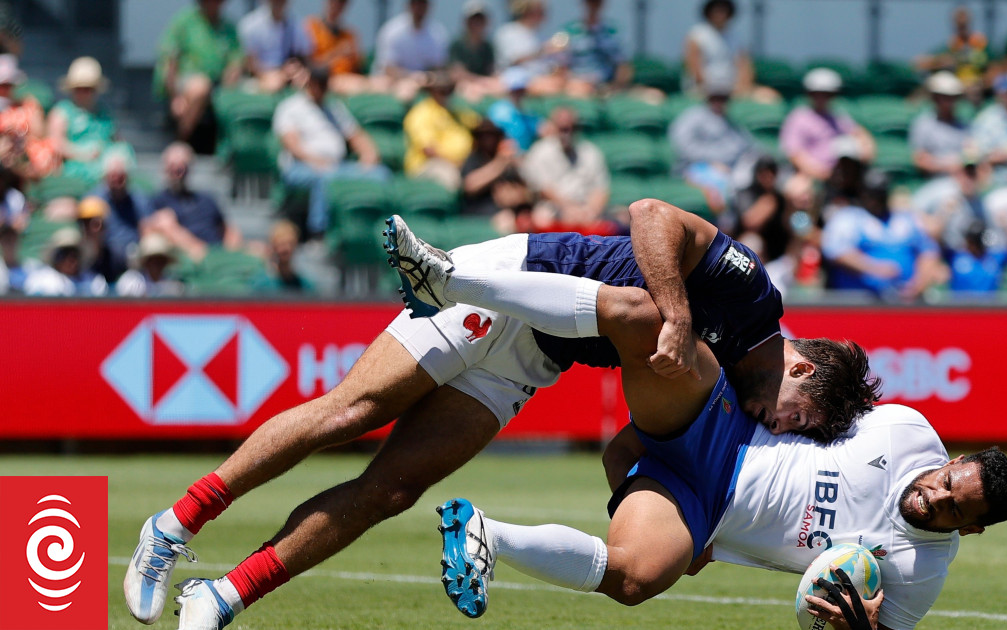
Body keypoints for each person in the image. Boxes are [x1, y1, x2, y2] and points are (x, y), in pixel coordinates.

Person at [128, 197, 857, 628]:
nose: (775, 422)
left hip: (536, 357)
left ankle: (224, 594)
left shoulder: (727, 386)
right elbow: (651, 215)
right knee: (352, 411)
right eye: (793, 415)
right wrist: (674, 312)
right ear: (802, 367)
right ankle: (174, 525)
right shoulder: (756, 295)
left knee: (395, 487)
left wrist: (642, 501)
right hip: (513, 278)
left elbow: (632, 441)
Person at [427, 260, 1007, 627]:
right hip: (724, 423)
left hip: (699, 509)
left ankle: (486, 534)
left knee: (636, 580)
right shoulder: (909, 431)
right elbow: (813, 380)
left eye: (952, 509)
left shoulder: (920, 573)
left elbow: (870, 628)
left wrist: (856, 628)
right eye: (947, 481)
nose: (934, 496)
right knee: (643, 320)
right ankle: (453, 283)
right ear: (954, 460)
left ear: (969, 530)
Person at [275, 65, 388, 238]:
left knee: (380, 174)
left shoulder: (334, 107)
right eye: (318, 83)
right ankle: (318, 233)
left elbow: (356, 135)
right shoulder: (291, 107)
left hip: (336, 166)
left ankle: (375, 233)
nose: (322, 88)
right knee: (325, 179)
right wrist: (315, 161)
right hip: (301, 167)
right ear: (310, 83)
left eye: (324, 84)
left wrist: (369, 154)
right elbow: (292, 144)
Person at [823, 170, 943, 299]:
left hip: (904, 303)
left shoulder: (906, 218)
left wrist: (918, 284)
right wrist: (875, 269)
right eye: (873, 195)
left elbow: (928, 251)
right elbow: (836, 251)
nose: (877, 201)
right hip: (859, 302)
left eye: (881, 195)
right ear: (863, 193)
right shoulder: (848, 218)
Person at [156, 0, 244, 143]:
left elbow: (236, 61)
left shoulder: (229, 28)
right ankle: (181, 140)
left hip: (219, 85)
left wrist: (231, 81)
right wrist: (174, 97)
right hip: (187, 82)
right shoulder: (184, 22)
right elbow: (169, 61)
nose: (215, 4)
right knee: (200, 87)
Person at [669, 75, 760, 212]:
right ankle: (723, 226)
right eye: (716, 97)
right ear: (708, 97)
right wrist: (712, 162)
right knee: (724, 184)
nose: (719, 102)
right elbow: (684, 146)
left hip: (730, 169)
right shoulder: (693, 117)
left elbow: (748, 146)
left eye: (723, 98)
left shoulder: (731, 123)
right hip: (697, 167)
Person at [147, 142, 242, 262]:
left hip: (218, 255)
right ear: (165, 169)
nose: (178, 172)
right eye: (173, 167)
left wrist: (230, 253)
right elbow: (152, 230)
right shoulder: (157, 202)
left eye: (182, 167)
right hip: (187, 260)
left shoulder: (207, 199)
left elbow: (228, 230)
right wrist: (200, 251)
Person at [47, 57, 136, 183]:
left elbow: (116, 139)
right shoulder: (62, 111)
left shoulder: (105, 113)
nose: (83, 93)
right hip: (78, 168)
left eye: (88, 89)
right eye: (79, 89)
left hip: (108, 163)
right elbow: (56, 144)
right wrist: (84, 154)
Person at [521, 107, 611, 230]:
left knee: (615, 221)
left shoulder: (590, 152)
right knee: (541, 219)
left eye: (571, 128)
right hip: (554, 208)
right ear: (553, 127)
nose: (566, 133)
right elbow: (544, 189)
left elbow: (601, 189)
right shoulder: (540, 151)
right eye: (562, 128)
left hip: (585, 207)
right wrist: (568, 209)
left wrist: (590, 211)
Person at [780, 68, 875, 182]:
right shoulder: (798, 118)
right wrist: (824, 174)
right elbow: (795, 154)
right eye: (816, 93)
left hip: (841, 176)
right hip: (809, 177)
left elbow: (860, 135)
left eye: (827, 94)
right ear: (809, 94)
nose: (821, 98)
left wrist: (866, 149)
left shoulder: (838, 117)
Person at [682, 0, 773, 102]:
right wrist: (713, 89)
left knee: (768, 95)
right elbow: (694, 68)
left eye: (724, 11)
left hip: (732, 89)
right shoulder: (697, 35)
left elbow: (745, 66)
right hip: (703, 90)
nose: (720, 14)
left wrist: (741, 88)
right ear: (708, 12)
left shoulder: (736, 37)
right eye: (717, 10)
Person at [402, 72, 476, 190]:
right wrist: (455, 163)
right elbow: (428, 150)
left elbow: (478, 128)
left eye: (449, 90)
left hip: (463, 164)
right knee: (449, 176)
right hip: (428, 166)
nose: (446, 95)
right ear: (432, 91)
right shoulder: (421, 113)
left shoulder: (458, 112)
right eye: (442, 91)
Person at [372, 0, 449, 102]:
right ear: (408, 5)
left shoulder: (438, 33)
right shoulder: (392, 31)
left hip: (426, 84)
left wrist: (426, 79)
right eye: (415, 3)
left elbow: (439, 68)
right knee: (405, 92)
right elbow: (388, 69)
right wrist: (413, 77)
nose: (419, 7)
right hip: (394, 82)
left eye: (422, 3)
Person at [92, 154, 154, 278]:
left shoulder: (138, 199)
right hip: (103, 255)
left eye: (120, 177)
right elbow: (89, 231)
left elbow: (147, 228)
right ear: (105, 178)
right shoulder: (95, 200)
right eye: (112, 177)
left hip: (133, 257)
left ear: (127, 178)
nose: (116, 182)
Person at [0, 55, 57, 182]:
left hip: (28, 158)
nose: (5, 90)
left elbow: (39, 134)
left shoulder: (27, 105)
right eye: (2, 86)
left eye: (8, 85)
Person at [494, 0, 568, 96]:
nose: (543, 15)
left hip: (540, 80)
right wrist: (544, 50)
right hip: (516, 83)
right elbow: (515, 60)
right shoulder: (508, 32)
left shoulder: (539, 35)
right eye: (540, 11)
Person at [237, 0, 313, 93]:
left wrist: (297, 70)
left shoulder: (296, 24)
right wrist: (275, 74)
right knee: (274, 84)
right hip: (260, 77)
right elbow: (251, 63)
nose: (278, 3)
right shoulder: (250, 24)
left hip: (288, 75)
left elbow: (304, 56)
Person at [461, 119, 528, 221]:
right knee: (506, 219)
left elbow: (522, 191)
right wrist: (499, 164)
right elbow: (469, 185)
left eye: (492, 135)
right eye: (483, 135)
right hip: (480, 213)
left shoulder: (508, 162)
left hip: (511, 211)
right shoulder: (473, 159)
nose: (488, 139)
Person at [915, 6, 992, 95]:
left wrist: (980, 82)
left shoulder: (982, 45)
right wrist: (941, 62)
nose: (962, 29)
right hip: (953, 91)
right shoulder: (950, 47)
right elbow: (919, 63)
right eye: (960, 26)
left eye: (964, 25)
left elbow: (997, 68)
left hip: (978, 91)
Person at [560, 0, 631, 97]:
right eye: (590, 1)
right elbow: (561, 67)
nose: (593, 5)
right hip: (576, 88)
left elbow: (623, 67)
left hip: (606, 88)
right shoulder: (569, 31)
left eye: (597, 2)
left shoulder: (613, 31)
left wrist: (615, 88)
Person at [909, 72, 969, 177]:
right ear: (935, 98)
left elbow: (973, 153)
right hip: (937, 181)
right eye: (945, 97)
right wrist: (950, 166)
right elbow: (920, 161)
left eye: (954, 98)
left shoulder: (965, 126)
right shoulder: (923, 125)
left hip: (964, 181)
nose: (950, 102)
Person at [731, 155, 789, 263]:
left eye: (772, 172)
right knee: (752, 242)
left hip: (776, 250)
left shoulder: (780, 197)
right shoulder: (745, 193)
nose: (768, 176)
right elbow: (750, 223)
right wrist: (768, 203)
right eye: (764, 172)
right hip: (746, 249)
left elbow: (787, 225)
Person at [306, 0, 369, 95]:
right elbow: (310, 67)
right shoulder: (311, 27)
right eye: (332, 1)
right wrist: (337, 53)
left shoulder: (349, 35)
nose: (336, 5)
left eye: (341, 2)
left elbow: (360, 68)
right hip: (323, 82)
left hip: (349, 79)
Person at [24, 226, 108, 297]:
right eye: (64, 254)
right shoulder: (42, 280)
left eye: (74, 254)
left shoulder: (94, 281)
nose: (70, 260)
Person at [449, 1, 503, 102]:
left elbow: (492, 71)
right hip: (465, 85)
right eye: (474, 20)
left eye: (480, 20)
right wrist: (480, 81)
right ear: (467, 22)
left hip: (484, 85)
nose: (477, 24)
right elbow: (457, 75)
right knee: (468, 90)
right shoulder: (457, 45)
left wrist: (491, 81)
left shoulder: (488, 47)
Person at [946, 220, 1007, 294]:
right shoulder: (956, 256)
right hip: (959, 304)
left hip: (988, 304)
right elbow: (937, 242)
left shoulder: (995, 257)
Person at [487, 67, 542, 152]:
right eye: (516, 90)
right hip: (506, 156)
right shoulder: (498, 111)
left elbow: (539, 128)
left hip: (527, 156)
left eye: (521, 90)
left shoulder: (528, 112)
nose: (519, 93)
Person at [250, 219, 313, 294]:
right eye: (281, 244)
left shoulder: (305, 286)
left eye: (290, 244)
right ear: (273, 246)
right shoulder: (260, 285)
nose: (286, 249)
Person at [115, 233, 185, 297]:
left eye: (161, 260)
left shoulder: (170, 284)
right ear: (146, 262)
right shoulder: (132, 280)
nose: (158, 264)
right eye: (153, 260)